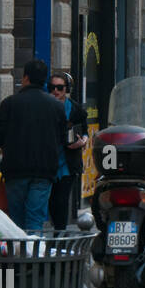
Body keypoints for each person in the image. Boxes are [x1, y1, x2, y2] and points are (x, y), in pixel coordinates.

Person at [0, 59, 67, 232]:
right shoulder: (56, 106)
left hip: (15, 170)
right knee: (35, 219)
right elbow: (62, 139)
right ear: (45, 80)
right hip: (44, 171)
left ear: (25, 78)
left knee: (16, 221)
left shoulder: (9, 104)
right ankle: (32, 254)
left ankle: (19, 255)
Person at [47, 71, 89, 231]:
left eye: (59, 87)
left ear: (67, 89)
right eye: (52, 88)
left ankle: (60, 232)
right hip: (49, 160)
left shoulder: (76, 109)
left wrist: (82, 142)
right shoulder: (45, 107)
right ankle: (57, 228)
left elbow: (85, 131)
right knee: (51, 200)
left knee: (62, 199)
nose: (56, 91)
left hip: (68, 161)